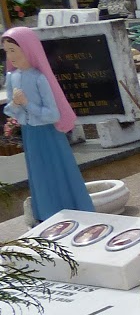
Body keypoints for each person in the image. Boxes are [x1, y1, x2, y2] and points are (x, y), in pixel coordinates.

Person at [2, 26, 93, 220]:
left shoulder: (39, 78)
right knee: (38, 172)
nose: (10, 56)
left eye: (13, 50)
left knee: (57, 170)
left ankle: (72, 207)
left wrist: (27, 104)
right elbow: (9, 110)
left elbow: (52, 114)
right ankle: (47, 213)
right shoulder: (12, 77)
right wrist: (16, 104)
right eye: (7, 52)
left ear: (27, 49)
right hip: (30, 133)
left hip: (48, 134)